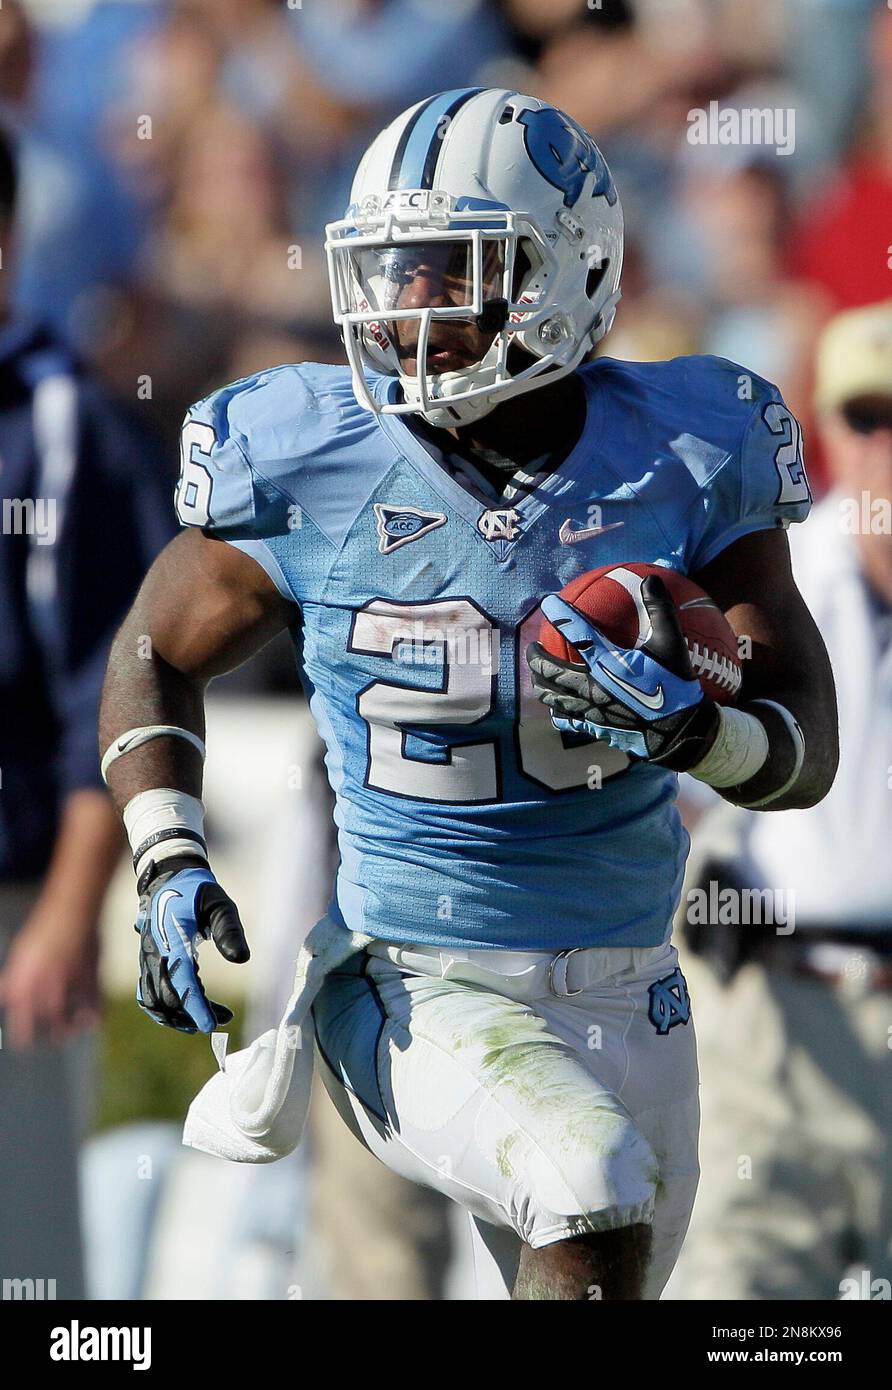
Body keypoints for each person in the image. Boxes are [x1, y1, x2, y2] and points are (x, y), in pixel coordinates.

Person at [98, 88, 837, 1301]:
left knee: (606, 1252)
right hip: (409, 975)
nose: (405, 309)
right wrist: (166, 852)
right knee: (586, 1184)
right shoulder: (304, 452)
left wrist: (699, 733)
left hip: (625, 972)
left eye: (448, 272)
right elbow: (153, 645)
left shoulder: (689, 450)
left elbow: (808, 743)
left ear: (568, 271)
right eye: (389, 271)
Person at [669, 299, 892, 1301]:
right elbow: (653, 769)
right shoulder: (772, 579)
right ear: (829, 433)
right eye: (869, 415)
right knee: (742, 1304)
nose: (889, 445)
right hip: (775, 1019)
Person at [0, 125, 173, 1298]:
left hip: (12, 902)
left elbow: (119, 695)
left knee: (25, 1252)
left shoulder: (70, 432)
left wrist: (65, 913)